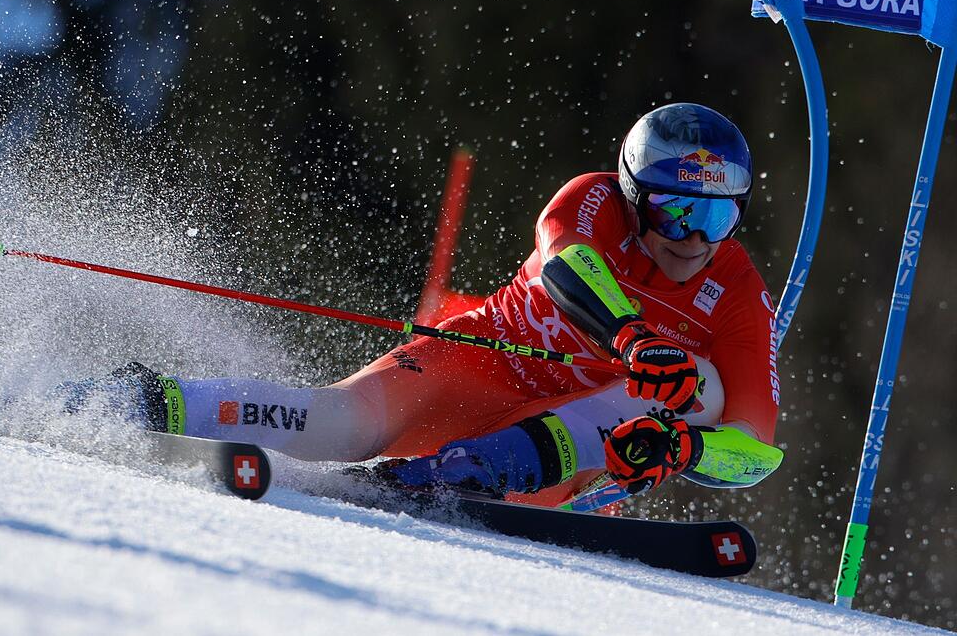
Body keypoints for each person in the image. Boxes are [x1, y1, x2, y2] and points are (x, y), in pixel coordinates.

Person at [61, 103, 784, 507]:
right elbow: (569, 266)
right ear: (632, 196)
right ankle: (142, 400)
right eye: (674, 212)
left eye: (717, 218)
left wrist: (684, 448)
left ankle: (471, 471)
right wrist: (630, 335)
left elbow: (756, 448)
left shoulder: (739, 292)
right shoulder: (591, 198)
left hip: (553, 451)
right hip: (477, 357)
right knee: (338, 420)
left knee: (705, 384)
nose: (693, 237)